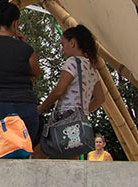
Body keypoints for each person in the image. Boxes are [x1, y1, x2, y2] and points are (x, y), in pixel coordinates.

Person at [0, 0, 41, 158]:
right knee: (22, 153)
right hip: (23, 106)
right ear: (15, 23)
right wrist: (24, 44)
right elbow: (36, 72)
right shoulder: (25, 50)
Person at [37, 24, 99, 159]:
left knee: (38, 155)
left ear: (73, 43)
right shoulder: (92, 67)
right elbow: (100, 99)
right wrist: (82, 112)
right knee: (71, 160)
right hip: (79, 124)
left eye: (63, 44)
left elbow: (59, 91)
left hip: (64, 119)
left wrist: (41, 108)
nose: (62, 49)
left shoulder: (72, 62)